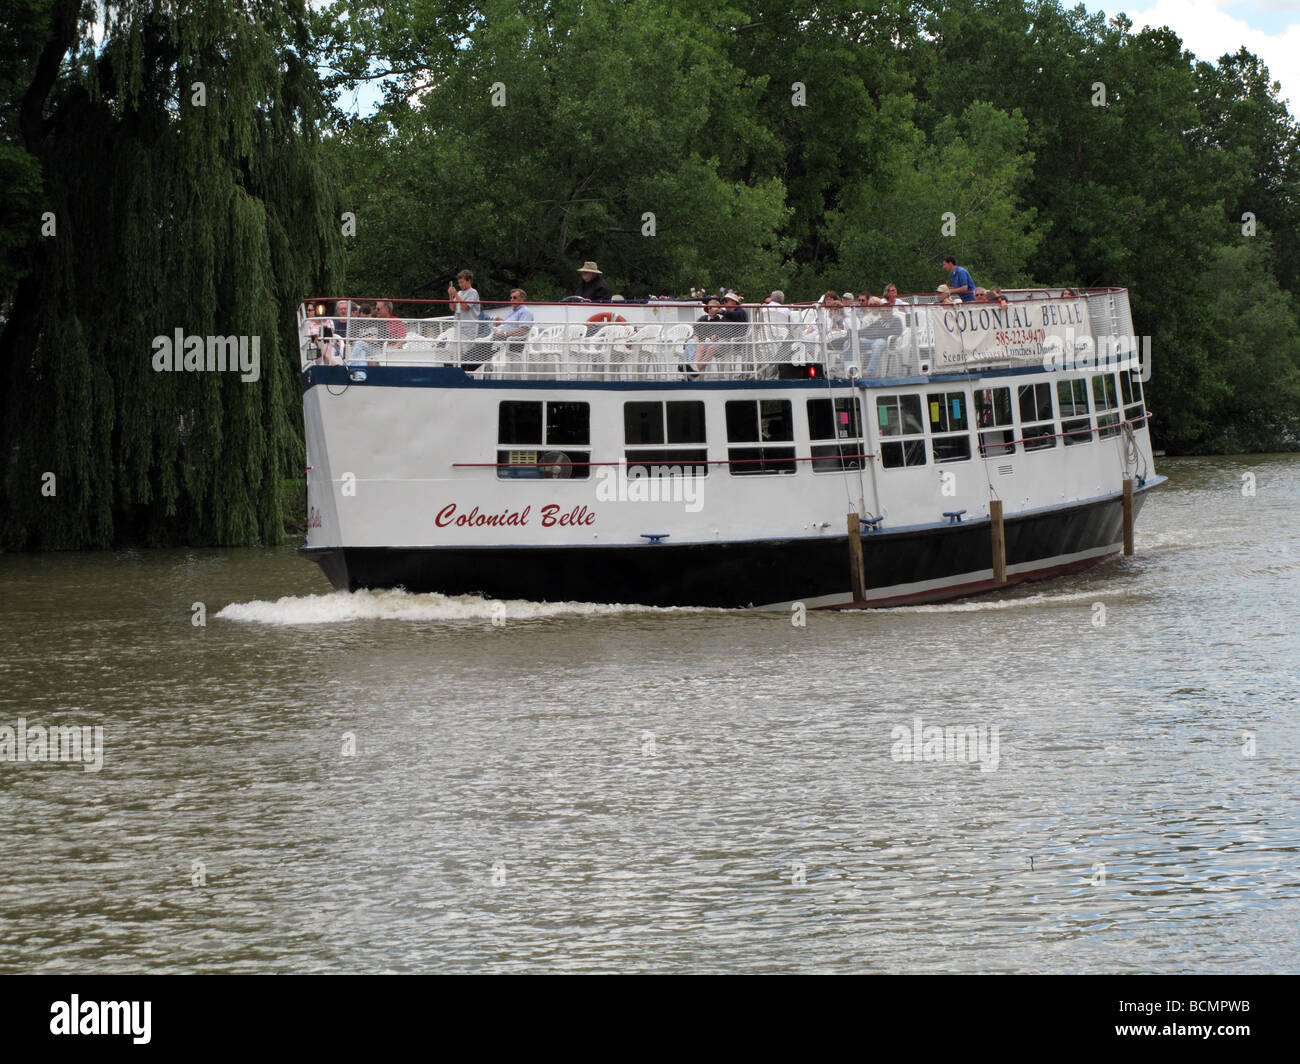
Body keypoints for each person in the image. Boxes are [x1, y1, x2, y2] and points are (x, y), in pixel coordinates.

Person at [859, 296, 903, 376]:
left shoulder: (896, 320)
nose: (885, 313)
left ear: (891, 311)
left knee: (878, 342)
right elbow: (867, 330)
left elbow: (897, 331)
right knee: (852, 342)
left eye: (887, 311)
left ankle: (869, 372)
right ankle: (849, 370)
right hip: (874, 341)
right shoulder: (879, 321)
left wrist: (878, 334)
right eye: (883, 311)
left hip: (888, 343)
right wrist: (854, 333)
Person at [447, 269, 482, 366]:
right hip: (459, 328)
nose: (460, 285)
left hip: (468, 328)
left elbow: (465, 307)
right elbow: (452, 307)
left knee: (465, 352)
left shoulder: (473, 292)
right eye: (459, 283)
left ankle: (466, 372)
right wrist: (451, 296)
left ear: (469, 281)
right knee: (454, 352)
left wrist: (455, 295)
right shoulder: (460, 293)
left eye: (462, 282)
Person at [683, 298, 723, 374]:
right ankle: (688, 367)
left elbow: (716, 334)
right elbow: (695, 328)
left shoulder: (718, 321)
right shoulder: (703, 318)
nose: (710, 310)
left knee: (695, 345)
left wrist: (712, 338)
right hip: (697, 340)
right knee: (691, 342)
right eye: (709, 308)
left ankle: (689, 368)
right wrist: (696, 336)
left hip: (706, 344)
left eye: (713, 308)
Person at [490, 288, 535, 353]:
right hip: (503, 340)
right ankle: (474, 362)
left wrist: (504, 334)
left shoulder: (526, 312)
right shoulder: (513, 311)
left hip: (514, 343)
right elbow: (510, 325)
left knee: (482, 347)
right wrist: (501, 322)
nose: (511, 299)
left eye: (514, 297)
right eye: (511, 298)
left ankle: (473, 362)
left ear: (522, 299)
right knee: (481, 344)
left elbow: (523, 330)